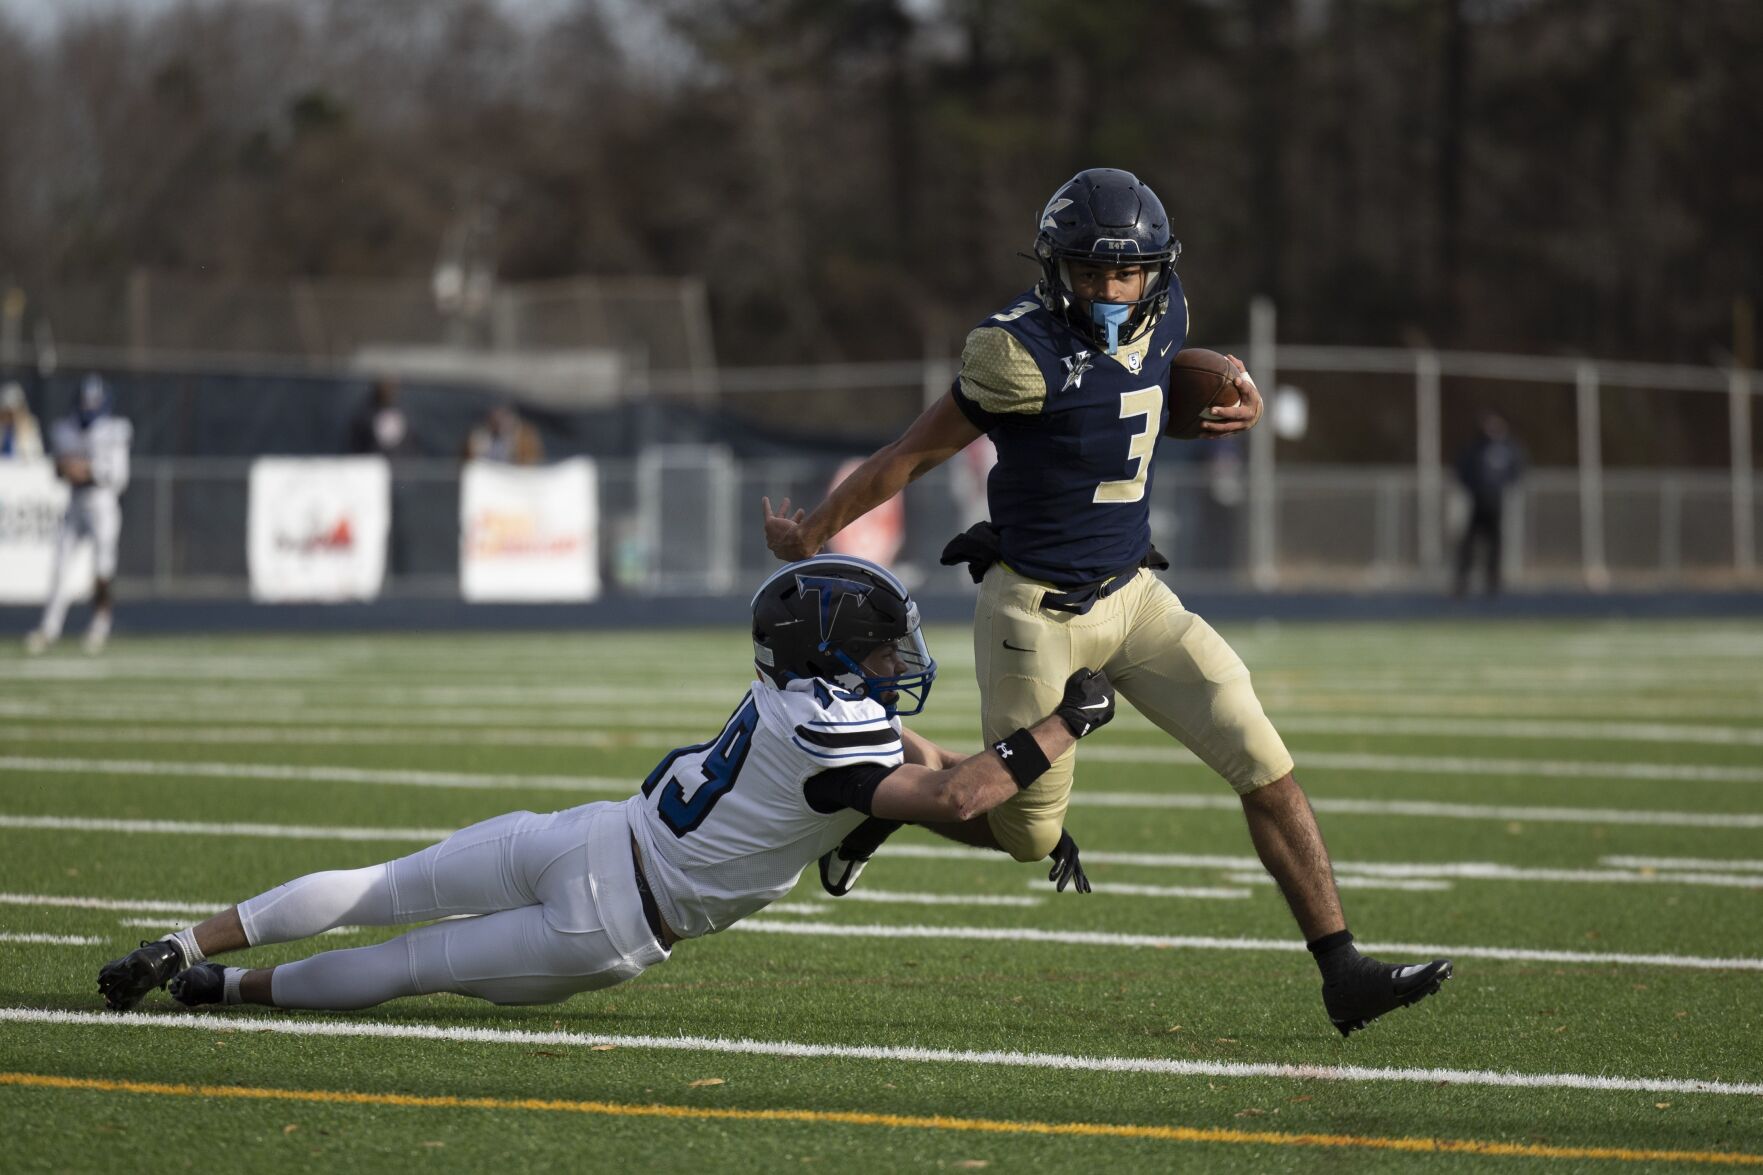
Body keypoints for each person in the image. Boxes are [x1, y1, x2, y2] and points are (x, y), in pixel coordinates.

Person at [762, 168, 1450, 1036]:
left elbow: (1138, 403)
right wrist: (815, 529)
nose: (1109, 289)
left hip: (1136, 594)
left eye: (1125, 272)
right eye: (1089, 271)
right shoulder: (1013, 352)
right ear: (1056, 267)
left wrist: (1230, 404)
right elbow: (911, 454)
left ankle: (1341, 969)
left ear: (1155, 270)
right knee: (1026, 835)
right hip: (1034, 611)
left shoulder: (1170, 313)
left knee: (1263, 762)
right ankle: (880, 800)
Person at [96, 556, 1112, 1013]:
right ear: (836, 654)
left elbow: (929, 765)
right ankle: (228, 989)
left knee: (381, 883)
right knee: (409, 964)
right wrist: (1065, 722)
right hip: (614, 920)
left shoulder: (790, 694)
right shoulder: (838, 735)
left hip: (585, 833)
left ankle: (186, 944)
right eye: (883, 647)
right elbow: (949, 794)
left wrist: (1023, 807)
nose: (896, 662)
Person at [25, 374, 132, 656]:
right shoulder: (65, 429)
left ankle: (100, 623)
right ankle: (49, 628)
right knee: (60, 564)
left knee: (102, 569)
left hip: (102, 504)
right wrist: (67, 469)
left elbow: (118, 477)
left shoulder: (115, 430)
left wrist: (87, 470)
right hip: (75, 503)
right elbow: (58, 468)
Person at [1453, 413, 1524, 597]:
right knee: (1469, 542)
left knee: (1495, 542)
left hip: (1496, 502)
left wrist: (1503, 486)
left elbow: (1517, 469)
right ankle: (1462, 579)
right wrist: (1473, 488)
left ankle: (1493, 580)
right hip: (1477, 501)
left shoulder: (1508, 448)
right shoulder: (1475, 447)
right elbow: (1462, 469)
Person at [462, 401, 544, 465]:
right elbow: (468, 459)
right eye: (496, 418)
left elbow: (531, 461)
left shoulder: (525, 437)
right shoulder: (480, 436)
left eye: (505, 417)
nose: (500, 422)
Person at [347, 377, 413, 456]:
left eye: (391, 383)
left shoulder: (406, 414)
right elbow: (356, 448)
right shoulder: (363, 416)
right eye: (385, 383)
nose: (388, 387)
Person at [1, 381, 44, 458]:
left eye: (14, 412)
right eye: (7, 412)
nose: (11, 416)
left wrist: (20, 431)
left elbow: (35, 453)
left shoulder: (30, 424)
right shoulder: (2, 427)